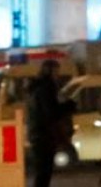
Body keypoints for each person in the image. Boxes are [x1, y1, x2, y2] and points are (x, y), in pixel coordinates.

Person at [26, 59, 76, 187]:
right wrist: (68, 106)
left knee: (41, 172)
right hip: (45, 135)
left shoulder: (35, 88)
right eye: (56, 71)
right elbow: (51, 112)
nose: (58, 75)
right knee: (44, 172)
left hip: (37, 134)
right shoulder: (46, 88)